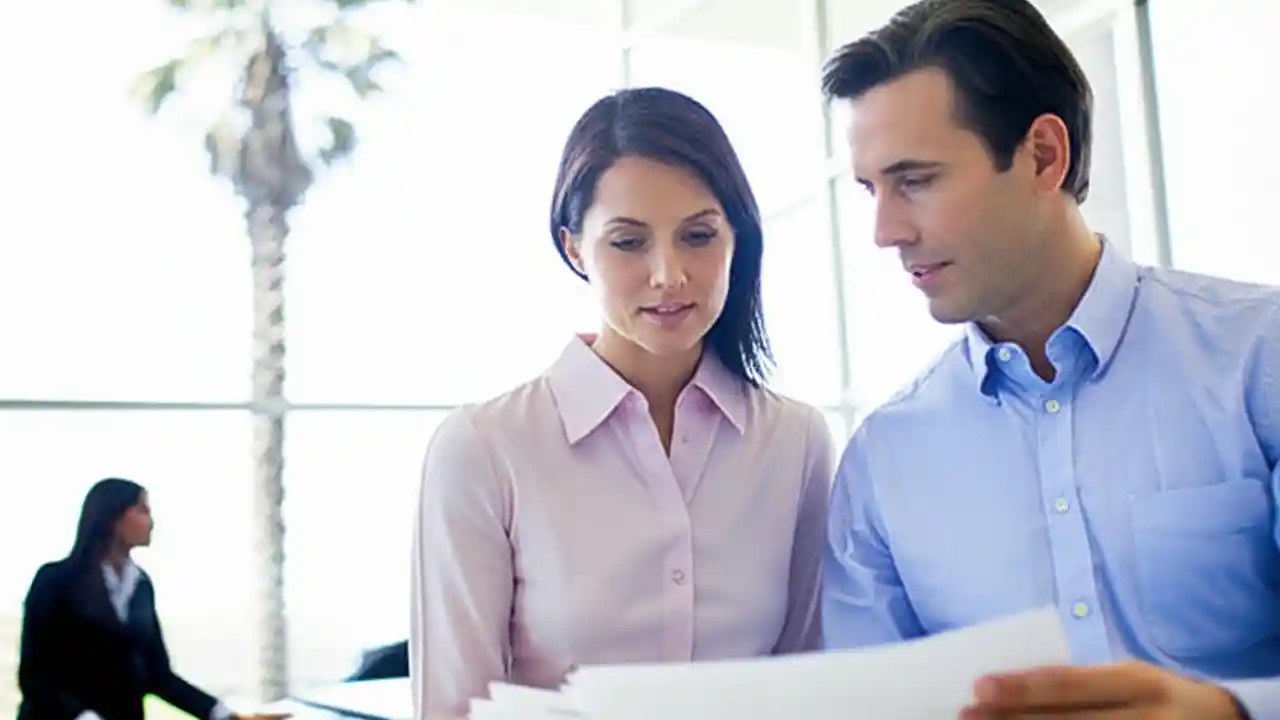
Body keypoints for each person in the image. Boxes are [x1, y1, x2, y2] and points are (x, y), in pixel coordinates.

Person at [818, 0, 1279, 718]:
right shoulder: (882, 464)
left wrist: (1228, 711)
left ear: (1043, 155)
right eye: (871, 188)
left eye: (916, 180)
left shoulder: (1259, 361)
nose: (884, 231)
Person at [409, 86, 833, 719]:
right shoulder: (485, 450)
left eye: (697, 235)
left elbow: (809, 686)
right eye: (629, 242)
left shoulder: (795, 443)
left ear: (736, 238)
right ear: (575, 247)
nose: (669, 274)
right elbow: (453, 710)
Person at [17, 478, 265, 720]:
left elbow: (157, 674)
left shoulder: (140, 586)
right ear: (114, 518)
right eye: (143, 510)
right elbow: (34, 676)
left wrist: (221, 713)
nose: (152, 522)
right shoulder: (55, 581)